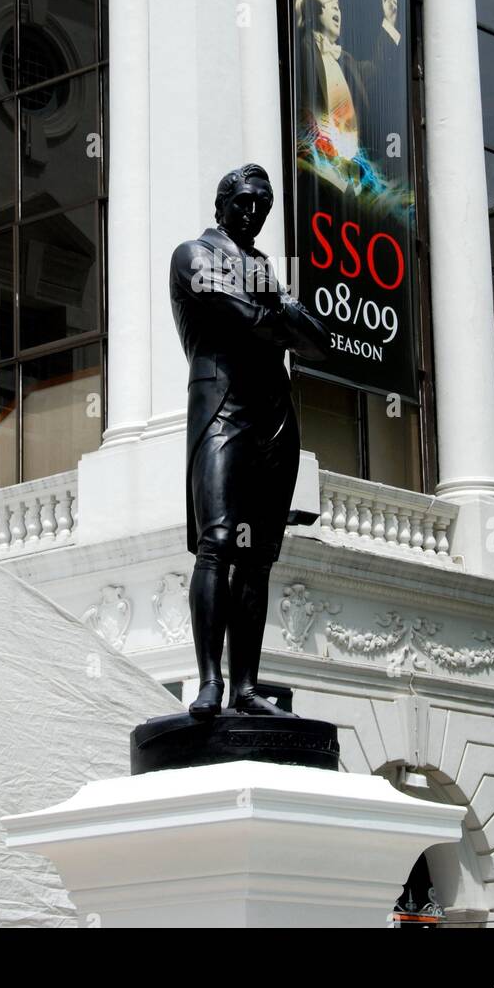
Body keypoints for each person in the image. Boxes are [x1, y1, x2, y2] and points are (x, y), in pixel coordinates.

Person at [169, 164, 330, 718]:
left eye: (261, 203)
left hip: (274, 422)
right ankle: (210, 682)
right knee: (216, 543)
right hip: (222, 411)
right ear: (222, 205)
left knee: (258, 559)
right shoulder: (193, 255)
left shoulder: (265, 271)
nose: (252, 211)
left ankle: (246, 687)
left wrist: (279, 312)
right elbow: (240, 316)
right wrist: (281, 315)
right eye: (243, 201)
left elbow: (319, 342)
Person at [295, 0, 404, 200]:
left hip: (351, 179)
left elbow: (377, 67)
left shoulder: (346, 62)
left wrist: (389, 23)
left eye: (338, 4)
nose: (336, 8)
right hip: (318, 173)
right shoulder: (303, 49)